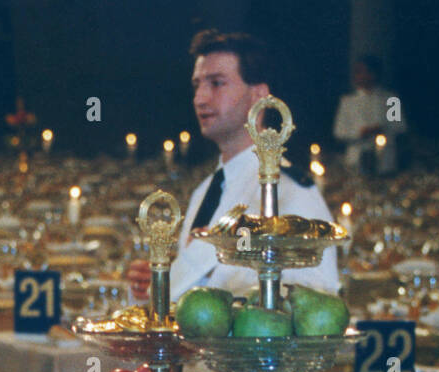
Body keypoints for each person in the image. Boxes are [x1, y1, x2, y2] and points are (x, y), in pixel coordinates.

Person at [126, 29, 339, 311]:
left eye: (216, 83)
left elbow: (315, 307)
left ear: (259, 95)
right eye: (197, 85)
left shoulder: (287, 193)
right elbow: (193, 289)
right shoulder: (206, 190)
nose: (200, 99)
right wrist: (155, 284)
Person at [333, 55, 405, 175]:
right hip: (357, 158)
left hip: (384, 160)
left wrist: (382, 129)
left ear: (373, 74)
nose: (356, 76)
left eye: (360, 72)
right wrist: (359, 133)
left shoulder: (390, 99)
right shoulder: (347, 102)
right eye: (356, 72)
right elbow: (339, 132)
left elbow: (400, 127)